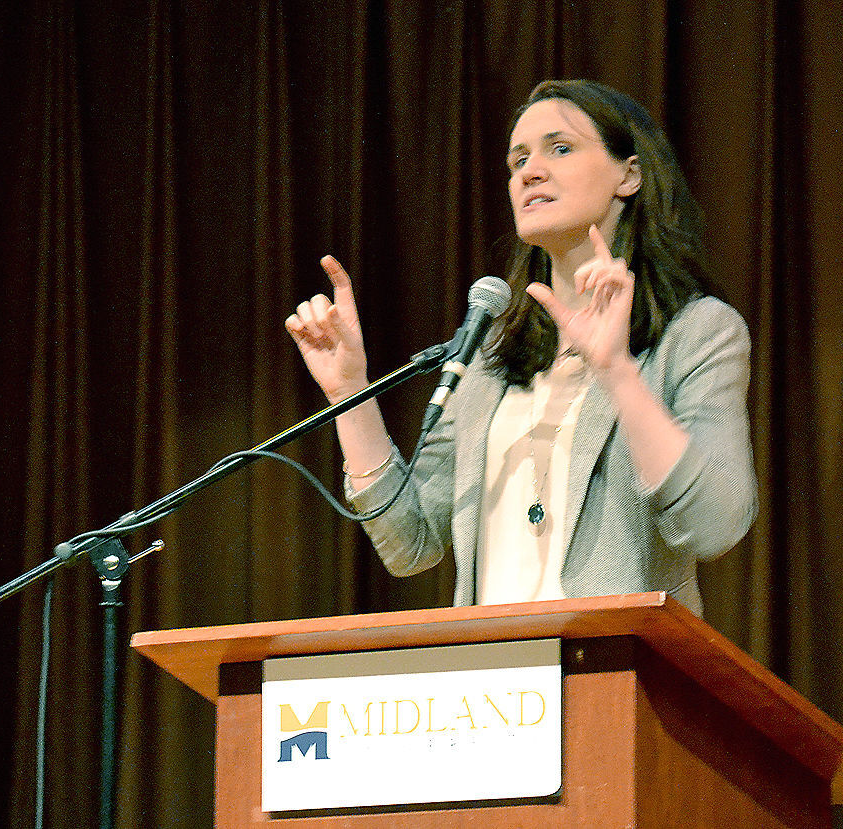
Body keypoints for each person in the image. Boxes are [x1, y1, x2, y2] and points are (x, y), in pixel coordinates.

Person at [285, 80, 757, 616]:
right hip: (494, 666)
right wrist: (350, 392)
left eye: (561, 148)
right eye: (518, 160)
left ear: (629, 175)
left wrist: (618, 373)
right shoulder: (489, 356)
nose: (530, 172)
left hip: (614, 660)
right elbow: (409, 542)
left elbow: (715, 525)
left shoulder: (698, 333)